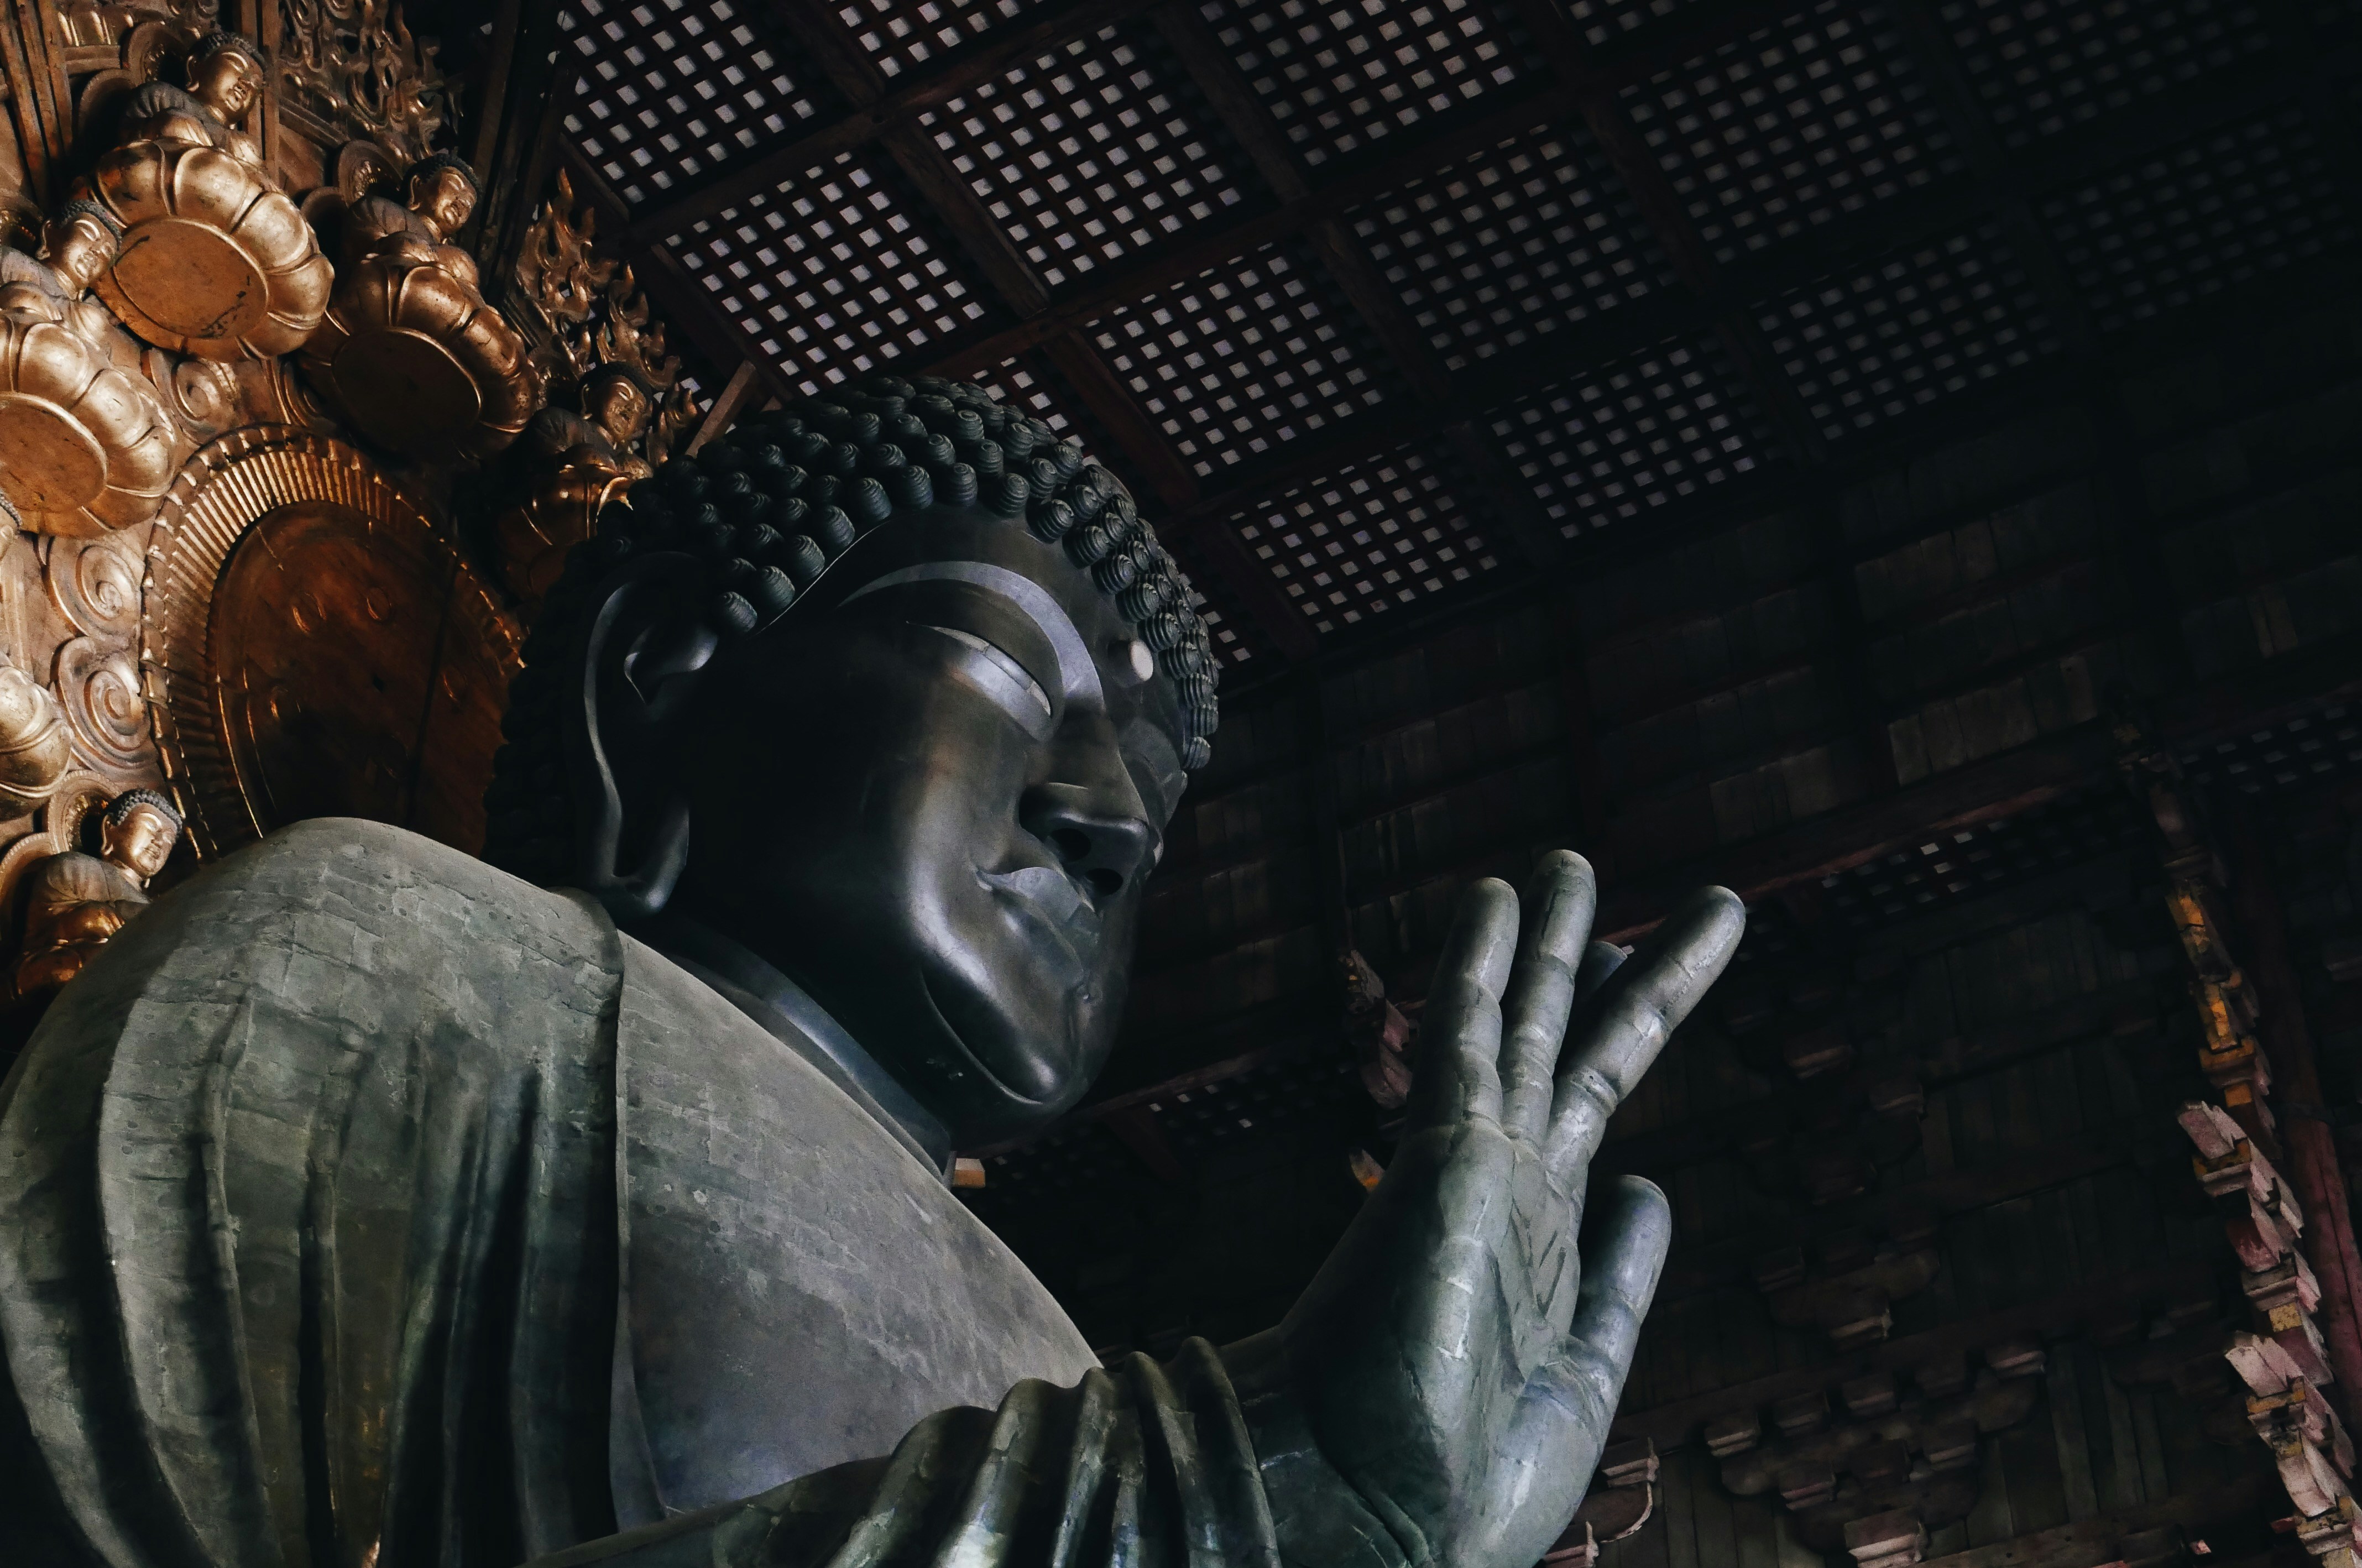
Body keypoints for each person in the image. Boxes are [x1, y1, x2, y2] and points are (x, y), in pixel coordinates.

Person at [0, 375, 1742, 1567]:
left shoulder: (1071, 1353)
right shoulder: (394, 963)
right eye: (1014, 678)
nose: (1110, 824)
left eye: (1149, 784)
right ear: (656, 676)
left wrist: (1356, 1524)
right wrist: (1238, 1491)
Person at [4, 790, 180, 1006]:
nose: (159, 841)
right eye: (150, 826)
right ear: (109, 829)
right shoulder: (78, 867)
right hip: (51, 978)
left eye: (169, 839)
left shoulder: (158, 908)